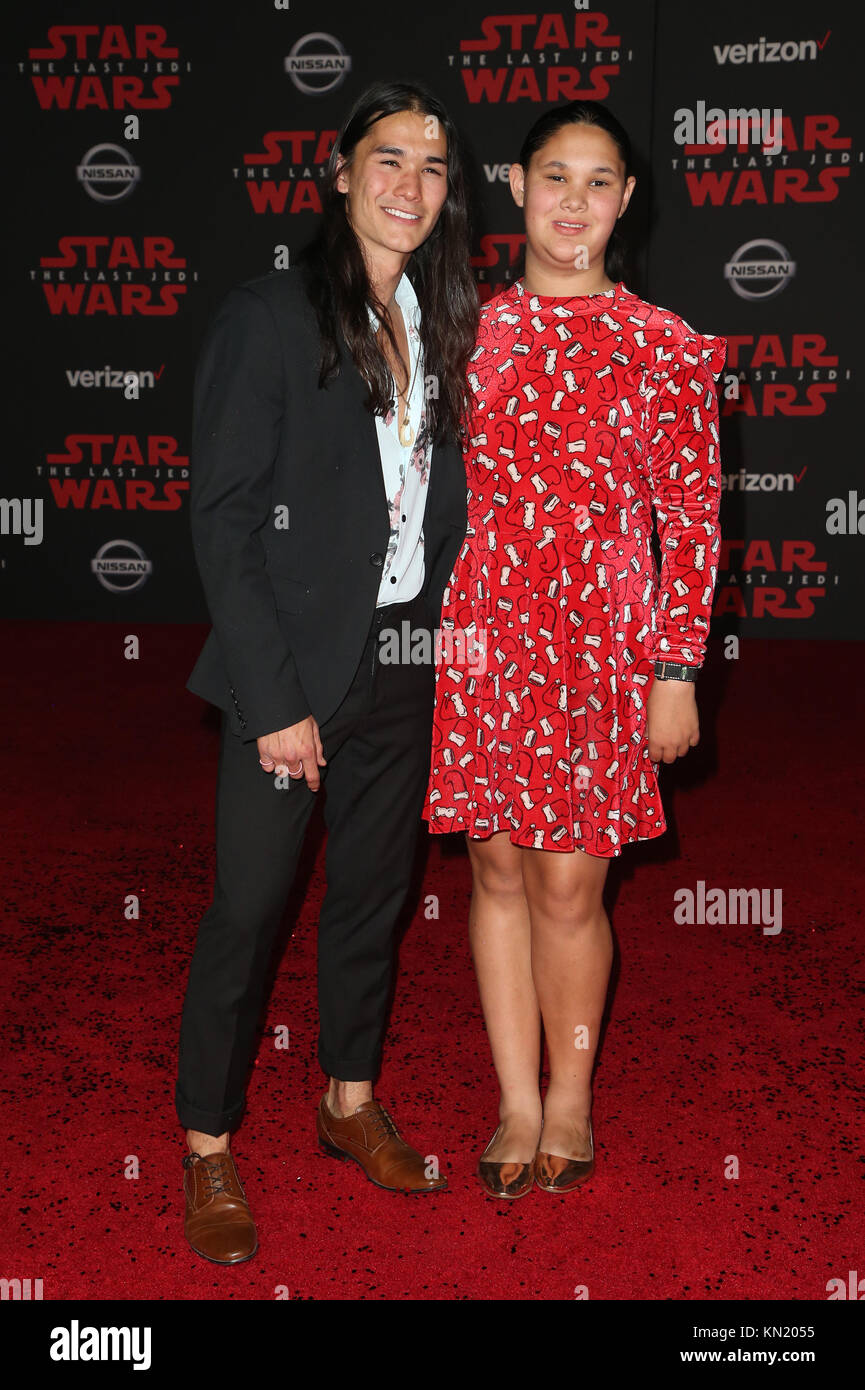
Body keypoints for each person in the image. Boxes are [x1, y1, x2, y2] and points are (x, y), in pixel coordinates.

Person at [177, 80, 477, 1262]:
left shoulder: (446, 318)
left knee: (371, 898)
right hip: (289, 675)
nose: (411, 184)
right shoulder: (266, 317)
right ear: (339, 172)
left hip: (404, 662)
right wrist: (277, 699)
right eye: (388, 159)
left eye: (435, 166)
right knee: (247, 912)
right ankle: (206, 1147)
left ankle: (347, 1101)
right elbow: (225, 519)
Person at [423, 101, 726, 1199]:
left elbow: (690, 519)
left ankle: (570, 1099)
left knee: (567, 884)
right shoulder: (462, 330)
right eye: (556, 176)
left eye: (599, 182)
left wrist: (675, 670)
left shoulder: (665, 347)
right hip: (485, 632)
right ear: (515, 184)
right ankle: (512, 1099)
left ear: (626, 200)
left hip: (604, 642)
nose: (574, 202)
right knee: (495, 867)